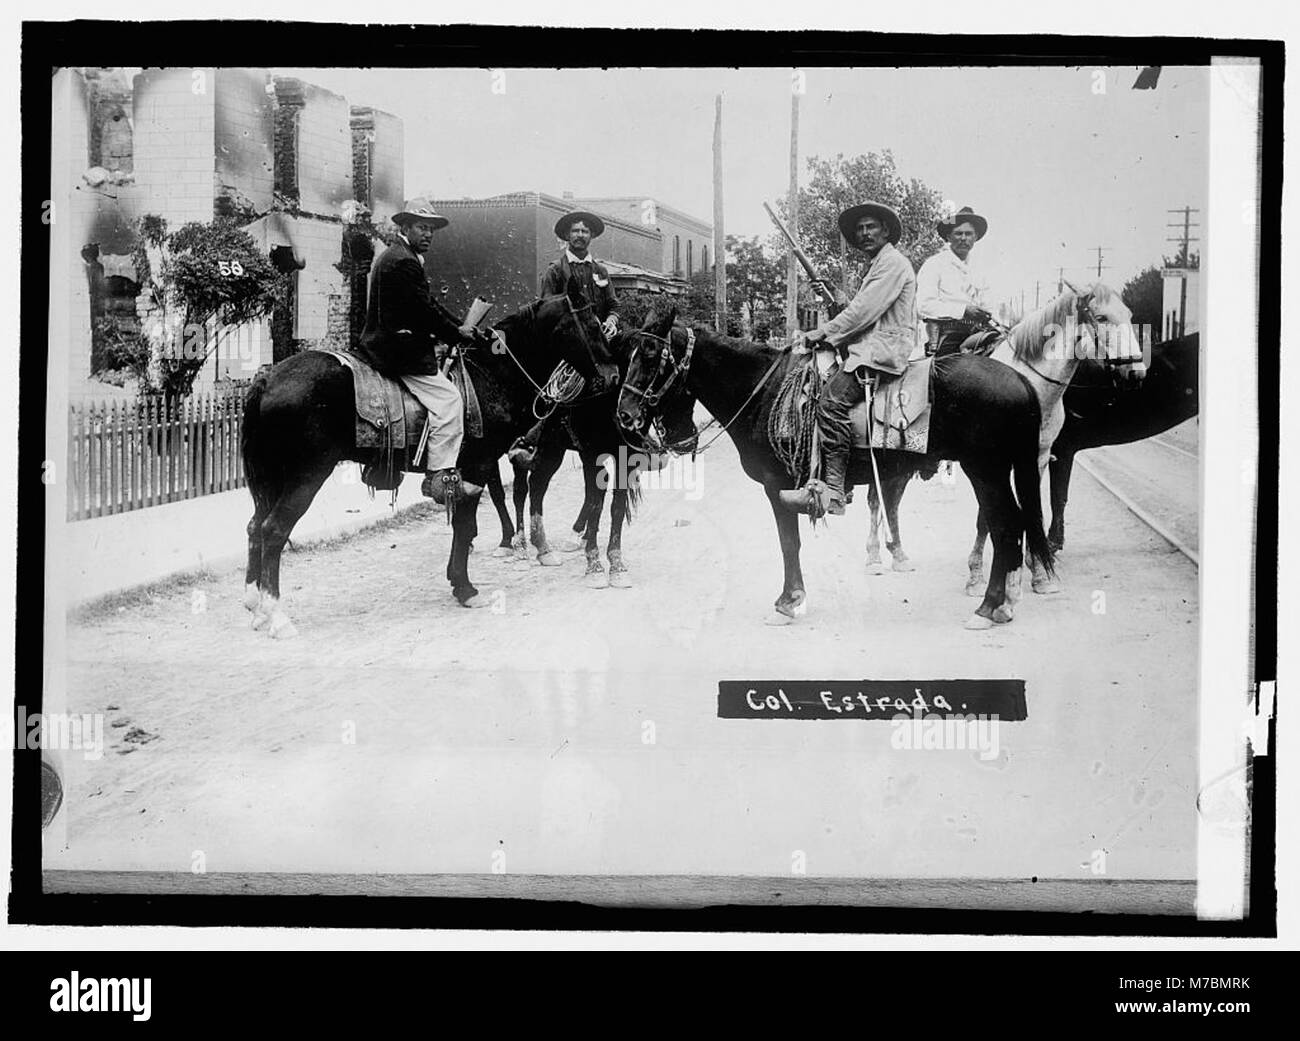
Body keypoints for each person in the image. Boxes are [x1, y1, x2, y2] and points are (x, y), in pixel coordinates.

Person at [780, 201, 917, 517]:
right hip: (871, 347)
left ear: (885, 230)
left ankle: (835, 491)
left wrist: (821, 332)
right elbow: (858, 307)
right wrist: (833, 296)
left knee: (829, 402)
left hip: (880, 351)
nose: (865, 233)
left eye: (871, 226)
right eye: (860, 228)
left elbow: (864, 312)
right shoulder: (879, 263)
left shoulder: (893, 263)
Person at [356, 198, 480, 505]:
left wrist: (460, 327)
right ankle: (438, 477)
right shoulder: (404, 261)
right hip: (397, 351)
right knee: (450, 400)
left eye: (431, 229)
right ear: (405, 227)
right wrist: (456, 333)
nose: (428, 234)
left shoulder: (398, 255)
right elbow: (424, 312)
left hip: (387, 343)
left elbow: (429, 305)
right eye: (422, 227)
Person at [916, 205, 992, 357]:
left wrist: (987, 313)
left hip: (978, 334)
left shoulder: (980, 269)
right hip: (946, 335)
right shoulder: (934, 264)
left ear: (975, 237)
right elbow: (923, 306)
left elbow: (988, 304)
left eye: (968, 234)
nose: (963, 238)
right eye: (958, 233)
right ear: (949, 237)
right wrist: (963, 310)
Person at [540, 210, 620, 341]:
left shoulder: (600, 271)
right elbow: (546, 311)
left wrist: (611, 321)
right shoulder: (555, 270)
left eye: (585, 231)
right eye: (575, 231)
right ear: (567, 235)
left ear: (592, 235)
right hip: (567, 342)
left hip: (600, 341)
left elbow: (614, 305)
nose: (580, 235)